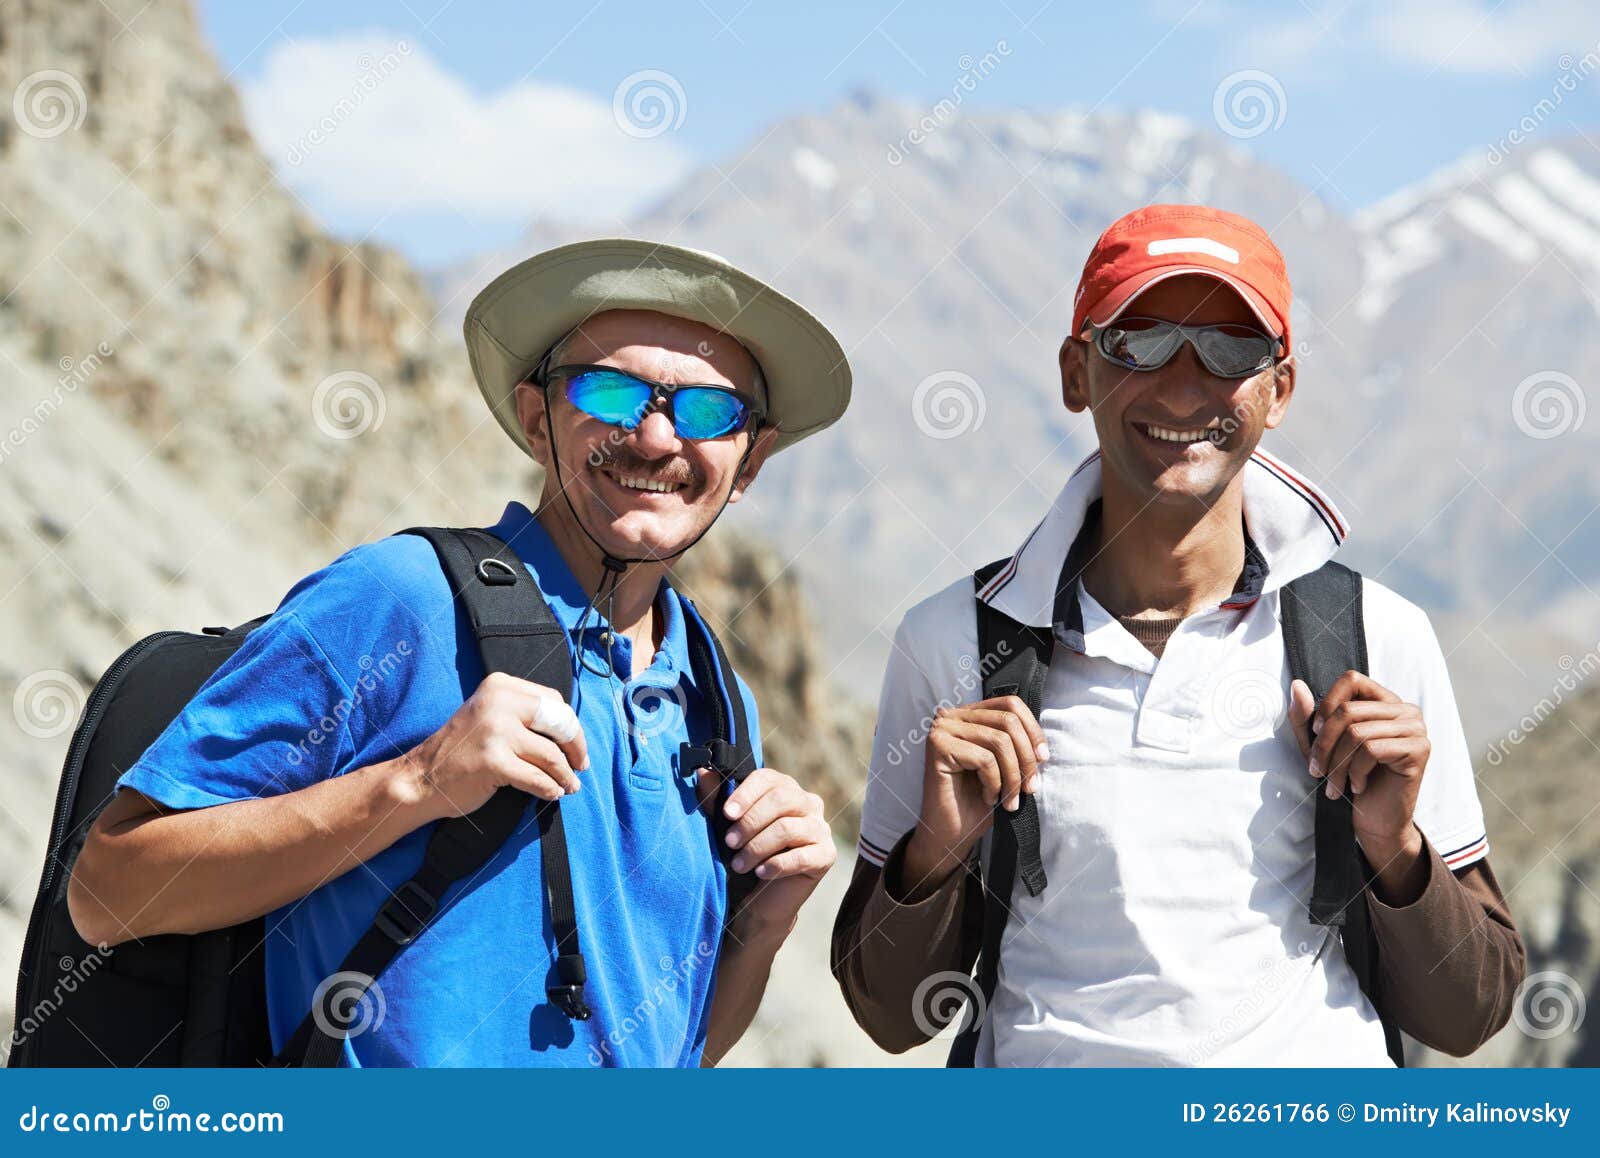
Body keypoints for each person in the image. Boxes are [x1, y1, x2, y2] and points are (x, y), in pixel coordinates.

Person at [68, 239, 851, 1067]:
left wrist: (762, 931)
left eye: (707, 412)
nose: (655, 437)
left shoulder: (718, 698)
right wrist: (418, 781)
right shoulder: (401, 598)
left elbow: (673, 1053)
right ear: (535, 418)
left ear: (750, 459)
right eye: (610, 390)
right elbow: (109, 891)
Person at [833, 205, 1525, 1066]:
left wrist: (1395, 849)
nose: (1183, 387)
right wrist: (936, 854)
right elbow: (889, 1017)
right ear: (1075, 372)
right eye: (1140, 342)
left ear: (1280, 390)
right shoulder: (955, 642)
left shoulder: (1378, 639)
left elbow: (1469, 1016)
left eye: (1232, 350)